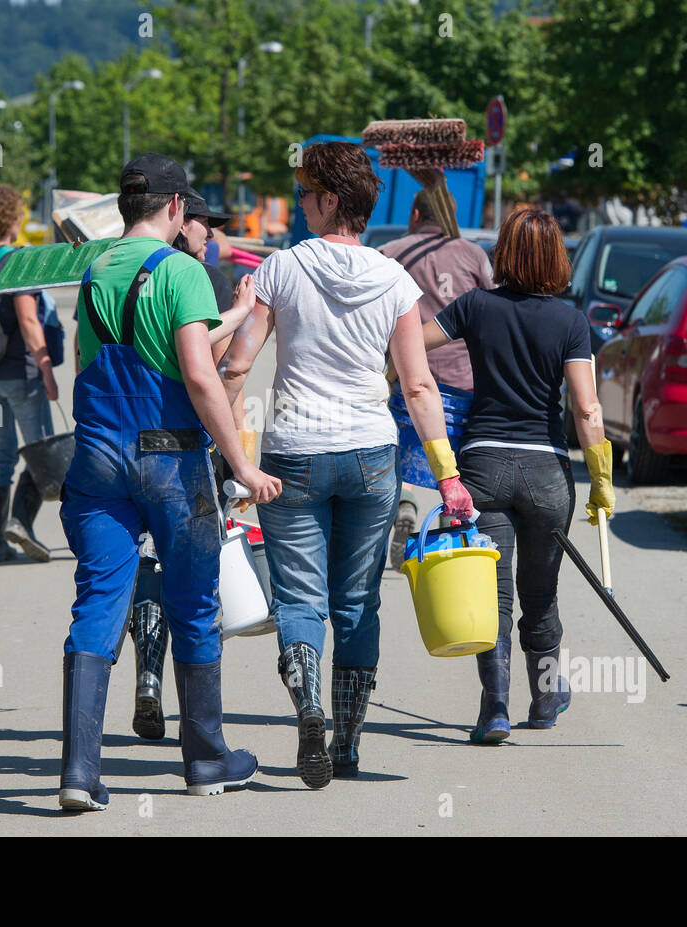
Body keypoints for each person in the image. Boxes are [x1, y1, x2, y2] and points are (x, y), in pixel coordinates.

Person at [220, 141, 473, 789]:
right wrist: (446, 473)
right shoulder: (395, 281)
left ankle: (306, 705)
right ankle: (350, 741)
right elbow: (418, 387)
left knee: (300, 596)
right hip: (369, 453)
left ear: (332, 200)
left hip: (294, 453)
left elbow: (240, 364)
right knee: (357, 599)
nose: (300, 204)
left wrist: (231, 456)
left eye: (306, 193)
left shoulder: (281, 270)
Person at [56, 153, 280, 812]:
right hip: (171, 461)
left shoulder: (95, 269)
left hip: (98, 459)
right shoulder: (182, 271)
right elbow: (199, 371)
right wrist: (242, 465)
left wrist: (233, 317)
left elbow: (86, 362)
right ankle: (207, 758)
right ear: (177, 207)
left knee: (98, 601)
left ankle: (78, 770)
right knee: (194, 604)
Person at [418, 206, 616, 743]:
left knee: (492, 596)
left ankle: (495, 709)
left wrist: (392, 382)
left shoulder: (476, 306)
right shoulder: (572, 322)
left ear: (502, 252)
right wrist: (600, 480)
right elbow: (587, 410)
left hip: (482, 467)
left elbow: (412, 344)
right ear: (558, 256)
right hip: (547, 471)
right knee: (542, 593)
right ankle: (546, 699)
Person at [126, 188, 256, 742]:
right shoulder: (203, 281)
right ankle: (201, 727)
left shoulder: (130, 274)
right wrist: (239, 456)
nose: (212, 234)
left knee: (149, 561)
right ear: (182, 222)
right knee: (199, 577)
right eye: (205, 223)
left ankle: (149, 678)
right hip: (194, 447)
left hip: (130, 441)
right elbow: (224, 373)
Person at [379, 189, 496, 566]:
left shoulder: (391, 253)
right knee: (453, 465)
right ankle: (451, 525)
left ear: (414, 213)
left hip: (405, 378)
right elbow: (492, 303)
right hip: (463, 384)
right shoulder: (473, 254)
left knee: (402, 453)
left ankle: (405, 503)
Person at [0, 184, 59, 564]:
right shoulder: (17, 261)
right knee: (42, 454)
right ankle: (19, 521)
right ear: (13, 218)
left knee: (0, 455)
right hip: (21, 375)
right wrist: (47, 369)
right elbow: (27, 319)